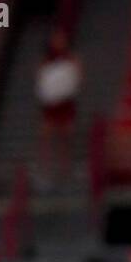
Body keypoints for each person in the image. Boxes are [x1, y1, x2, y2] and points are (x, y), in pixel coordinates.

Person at [35, 28, 81, 188]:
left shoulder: (72, 59)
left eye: (61, 40)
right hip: (50, 105)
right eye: (56, 39)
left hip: (66, 103)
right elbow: (41, 81)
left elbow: (77, 79)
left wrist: (66, 89)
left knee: (66, 136)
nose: (59, 43)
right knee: (46, 136)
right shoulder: (45, 61)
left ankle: (66, 169)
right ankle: (45, 169)